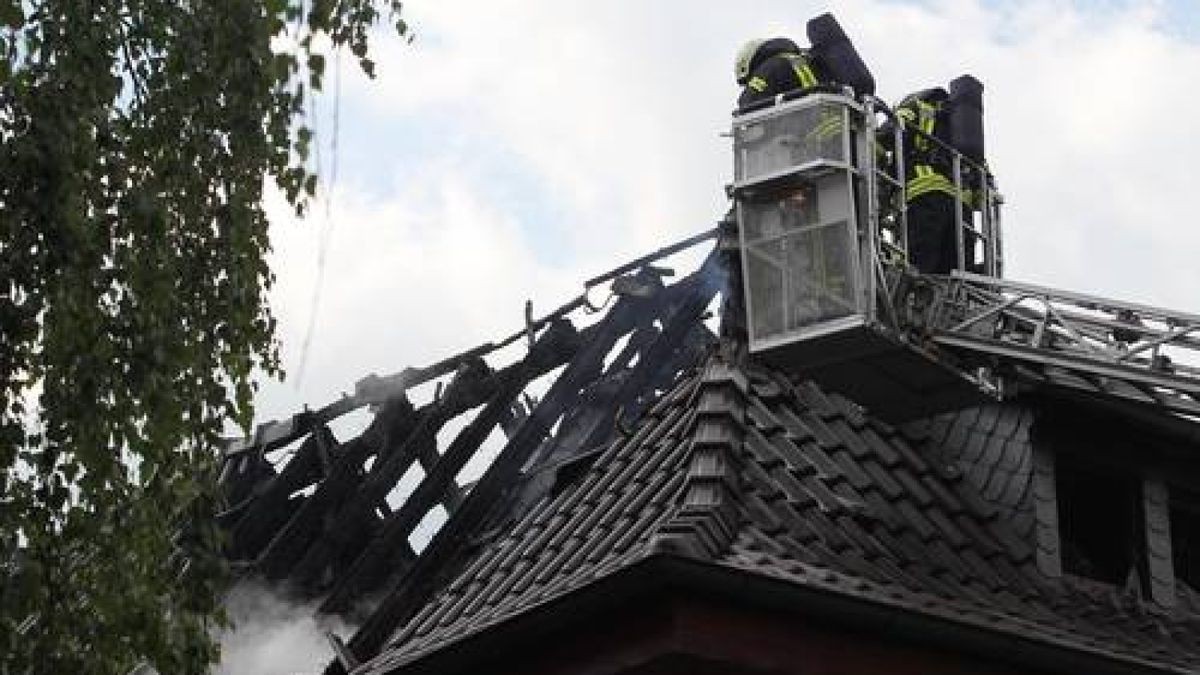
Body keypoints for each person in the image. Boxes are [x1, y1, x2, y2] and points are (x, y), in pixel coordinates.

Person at [893, 87, 964, 275]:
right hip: (960, 206)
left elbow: (891, 134)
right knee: (952, 274)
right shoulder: (959, 124)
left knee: (919, 267)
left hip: (924, 191)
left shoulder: (914, 106)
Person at [735, 37, 827, 109]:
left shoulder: (769, 68)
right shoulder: (808, 60)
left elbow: (748, 103)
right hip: (832, 122)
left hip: (803, 127)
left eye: (747, 81)